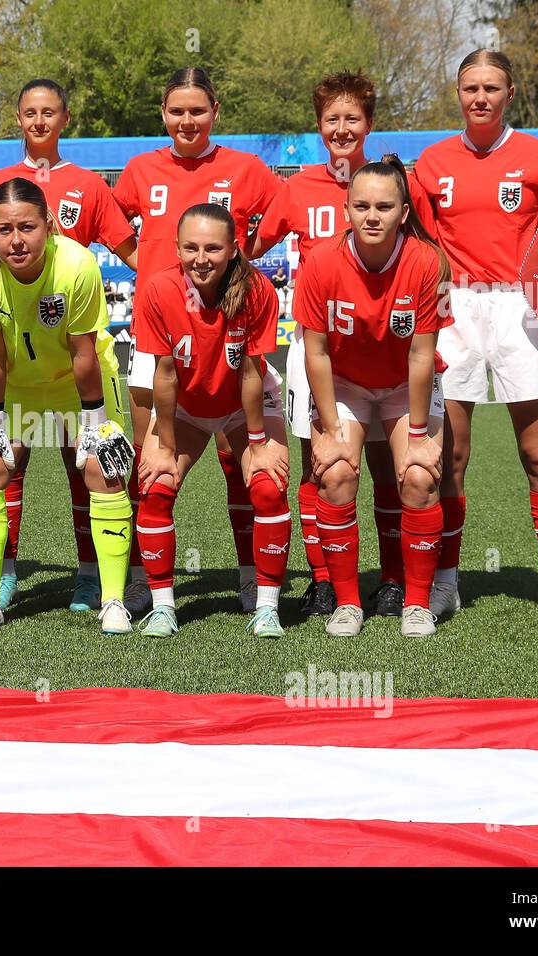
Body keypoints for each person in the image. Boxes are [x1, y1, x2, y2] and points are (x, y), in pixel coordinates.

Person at [413, 49, 538, 624]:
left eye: (492, 88)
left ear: (509, 94)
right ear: (458, 92)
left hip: (523, 308)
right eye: (471, 87)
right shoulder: (433, 162)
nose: (481, 97)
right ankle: (446, 582)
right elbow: (422, 241)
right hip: (454, 309)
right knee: (449, 457)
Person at [249, 71, 436, 621]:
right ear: (318, 127)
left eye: (352, 118)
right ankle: (326, 581)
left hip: (388, 340)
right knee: (323, 464)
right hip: (321, 342)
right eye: (332, 119)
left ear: (369, 124)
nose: (342, 128)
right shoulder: (298, 187)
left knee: (388, 466)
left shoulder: (400, 185)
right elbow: (251, 245)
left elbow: (430, 248)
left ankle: (398, 581)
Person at [0, 78, 139, 613]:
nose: (39, 121)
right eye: (29, 112)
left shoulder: (86, 189)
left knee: (88, 465)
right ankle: (1, 580)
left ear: (65, 118)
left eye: (49, 112)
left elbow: (131, 250)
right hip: (15, 365)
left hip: (72, 355)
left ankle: (94, 580)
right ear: (18, 119)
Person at [113, 67, 281, 617]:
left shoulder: (246, 169)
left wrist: (242, 262)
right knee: (153, 462)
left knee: (243, 466)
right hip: (160, 334)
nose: (187, 121)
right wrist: (150, 269)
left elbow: (274, 219)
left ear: (215, 113)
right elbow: (114, 224)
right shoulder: (140, 170)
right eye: (177, 111)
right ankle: (145, 583)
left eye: (198, 111)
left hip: (225, 330)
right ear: (163, 114)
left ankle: (252, 578)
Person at [296, 157, 450, 638]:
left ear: (404, 211)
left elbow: (422, 354)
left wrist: (420, 435)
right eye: (361, 205)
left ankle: (418, 602)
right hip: (344, 383)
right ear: (346, 209)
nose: (372, 215)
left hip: (407, 385)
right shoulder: (320, 262)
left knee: (420, 476)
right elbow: (316, 352)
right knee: (337, 471)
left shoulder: (429, 262)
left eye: (384, 206)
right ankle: (347, 603)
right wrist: (328, 428)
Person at [135, 203, 291, 638]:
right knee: (155, 485)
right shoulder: (158, 289)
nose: (200, 258)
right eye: (190, 247)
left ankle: (266, 604)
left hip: (244, 404)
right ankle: (164, 605)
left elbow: (252, 371)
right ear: (176, 247)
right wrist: (165, 445)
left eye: (212, 248)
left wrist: (257, 441)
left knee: (266, 485)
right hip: (185, 406)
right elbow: (164, 374)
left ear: (233, 249)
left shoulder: (258, 290)